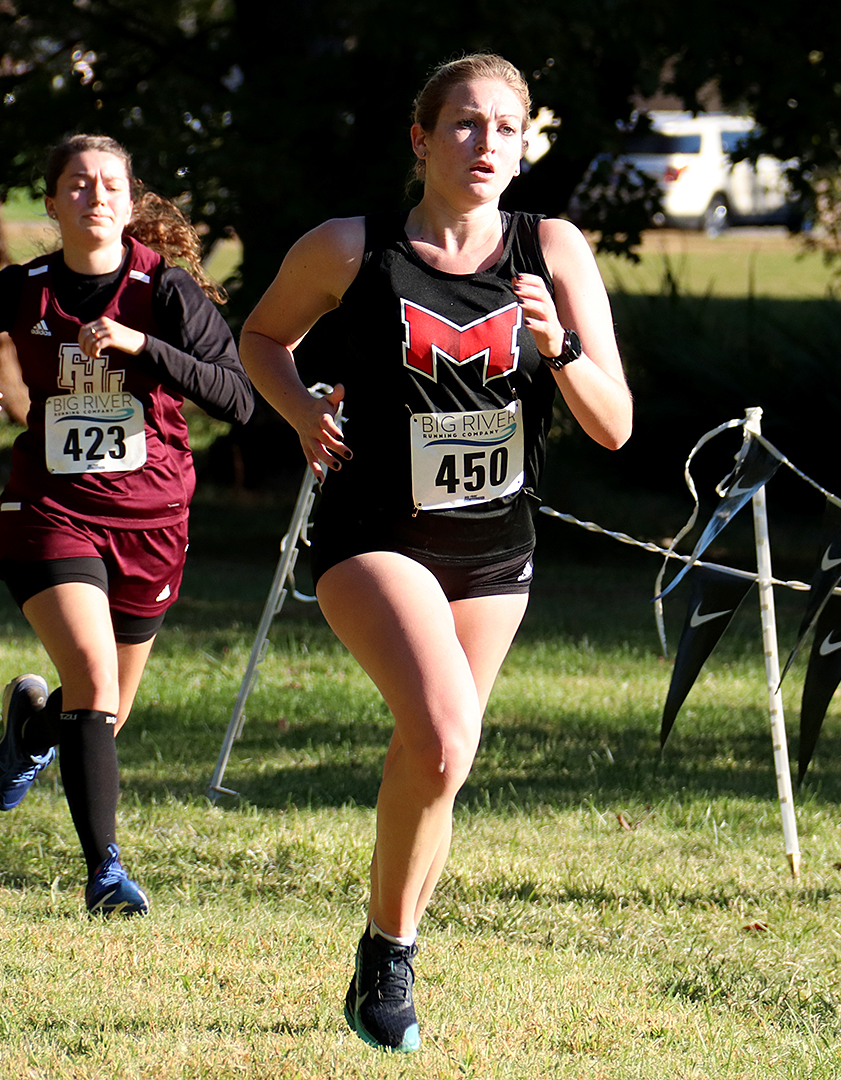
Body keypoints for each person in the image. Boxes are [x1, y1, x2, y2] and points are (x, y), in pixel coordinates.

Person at [239, 54, 632, 1052]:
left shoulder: (554, 251)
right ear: (421, 138)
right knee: (449, 732)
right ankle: (396, 968)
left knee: (435, 759)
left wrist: (563, 351)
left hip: (496, 549)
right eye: (463, 124)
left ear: (526, 142)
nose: (485, 144)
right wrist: (298, 413)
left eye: (505, 127)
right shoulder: (350, 248)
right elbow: (263, 339)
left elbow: (615, 427)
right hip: (375, 535)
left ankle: (385, 944)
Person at [0, 134, 254, 916]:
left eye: (110, 184)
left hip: (152, 517)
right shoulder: (24, 286)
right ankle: (105, 873)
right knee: (96, 686)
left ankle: (29, 735)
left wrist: (145, 346)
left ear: (130, 199)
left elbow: (236, 397)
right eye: (77, 183)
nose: (94, 195)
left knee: (100, 710)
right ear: (51, 200)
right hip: (51, 507)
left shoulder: (164, 290)